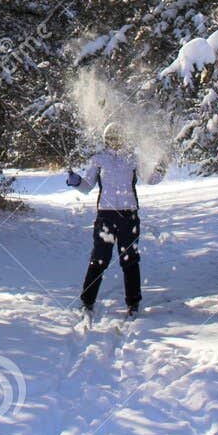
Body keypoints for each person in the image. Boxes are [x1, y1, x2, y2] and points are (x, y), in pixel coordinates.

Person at [66, 127, 166, 319]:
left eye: (118, 137)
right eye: (111, 138)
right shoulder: (99, 159)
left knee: (129, 259)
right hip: (106, 215)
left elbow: (150, 179)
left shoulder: (132, 159)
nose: (115, 141)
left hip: (129, 216)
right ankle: (87, 301)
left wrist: (161, 166)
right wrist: (76, 181)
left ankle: (133, 302)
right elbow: (87, 186)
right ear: (106, 140)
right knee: (99, 259)